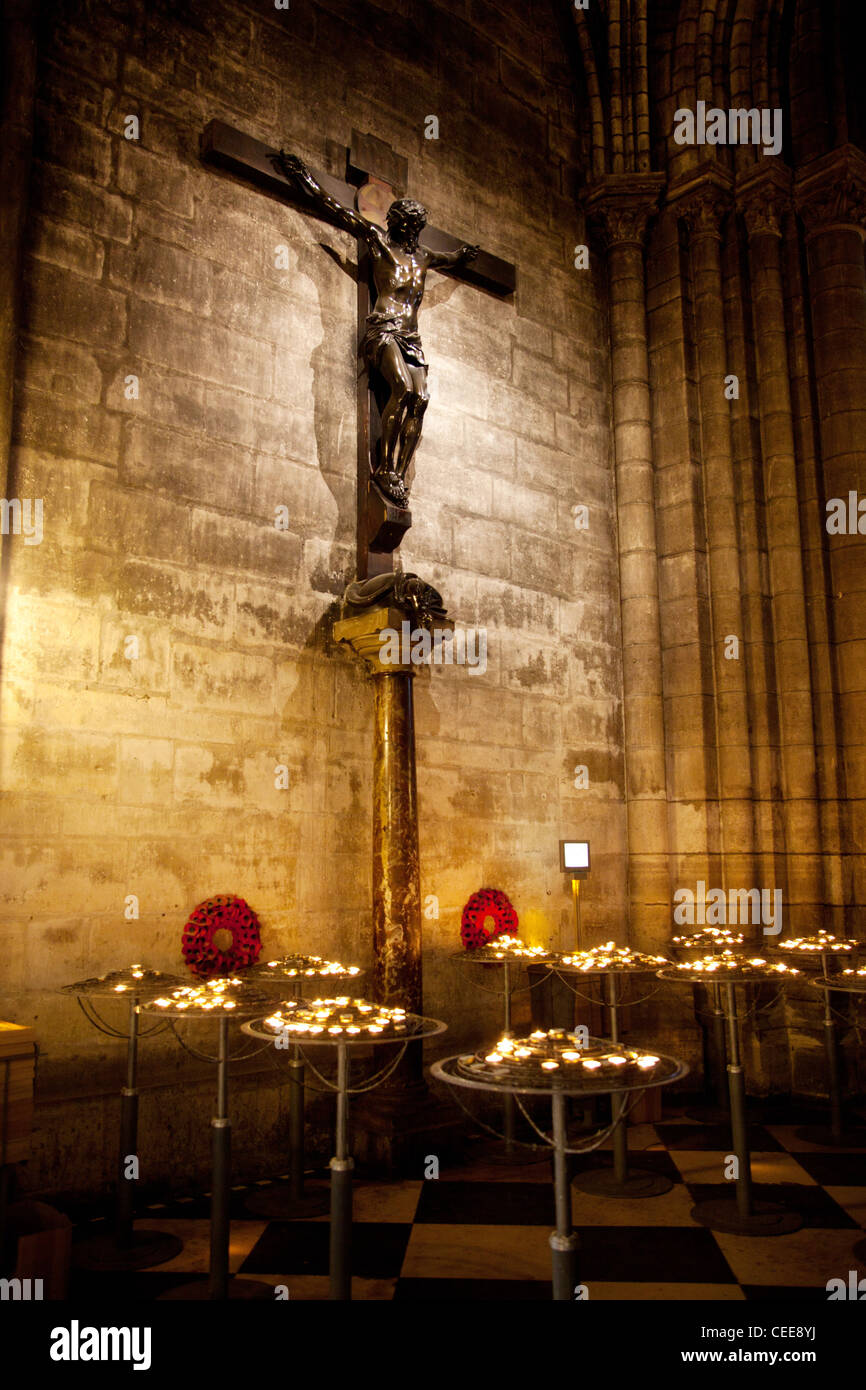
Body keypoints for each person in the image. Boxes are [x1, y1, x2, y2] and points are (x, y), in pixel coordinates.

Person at [274, 151, 478, 507]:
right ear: (395, 223)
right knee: (401, 387)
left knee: (420, 399)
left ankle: (398, 472)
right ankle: (383, 468)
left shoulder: (425, 258)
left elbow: (454, 259)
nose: (408, 230)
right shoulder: (379, 242)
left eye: (414, 226)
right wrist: (304, 178)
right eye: (403, 224)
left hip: (411, 338)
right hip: (384, 329)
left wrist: (466, 255)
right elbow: (335, 209)